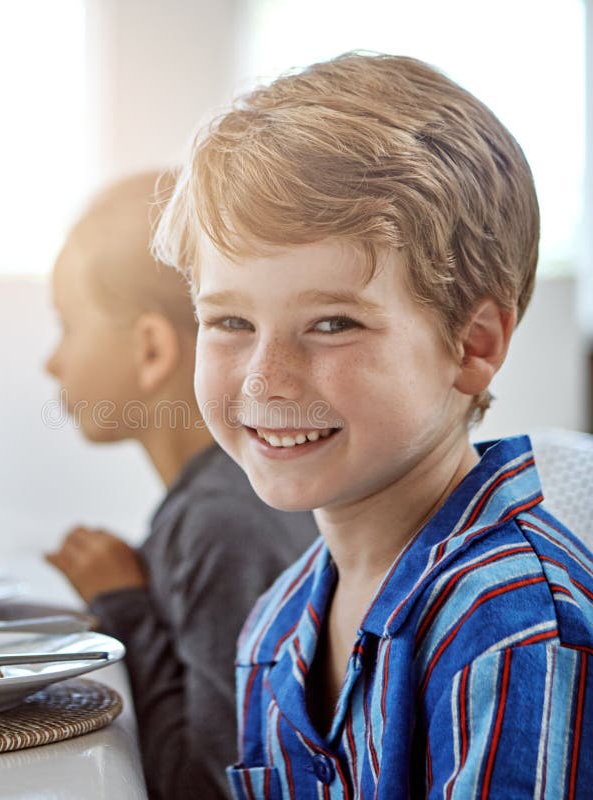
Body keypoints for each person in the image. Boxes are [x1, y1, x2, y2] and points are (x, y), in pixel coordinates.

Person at [152, 53, 593, 798]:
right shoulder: (278, 623)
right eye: (230, 320)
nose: (265, 379)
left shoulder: (517, 629)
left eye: (332, 323)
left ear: (473, 344)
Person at [43, 171, 318, 800]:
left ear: (150, 349)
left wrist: (123, 605)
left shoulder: (222, 522)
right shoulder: (213, 502)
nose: (52, 362)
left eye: (66, 325)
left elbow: (206, 787)